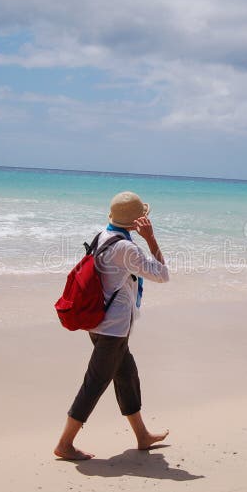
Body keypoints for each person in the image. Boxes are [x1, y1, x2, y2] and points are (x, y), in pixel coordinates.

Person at [54, 191, 170, 460]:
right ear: (136, 221)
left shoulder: (104, 236)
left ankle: (142, 435)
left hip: (102, 324)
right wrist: (151, 239)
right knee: (94, 384)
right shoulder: (126, 248)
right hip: (112, 330)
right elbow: (162, 275)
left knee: (127, 376)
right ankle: (65, 443)